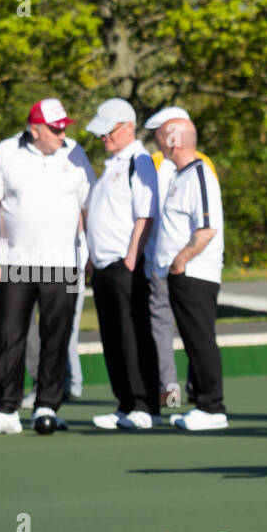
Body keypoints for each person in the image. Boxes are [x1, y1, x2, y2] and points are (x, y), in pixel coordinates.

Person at [0, 98, 95, 435]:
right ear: (35, 129)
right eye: (55, 129)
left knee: (56, 337)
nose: (62, 134)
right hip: (16, 262)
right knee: (9, 335)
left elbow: (88, 207)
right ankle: (7, 410)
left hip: (63, 264)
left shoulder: (74, 153)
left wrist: (91, 256)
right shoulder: (6, 152)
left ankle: (47, 405)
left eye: (63, 127)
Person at [84, 98, 162, 430]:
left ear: (128, 127)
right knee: (113, 336)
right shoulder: (112, 163)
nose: (104, 137)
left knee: (133, 334)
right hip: (103, 267)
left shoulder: (139, 161)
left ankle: (145, 405)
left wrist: (132, 256)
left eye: (110, 131)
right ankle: (126, 403)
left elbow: (146, 213)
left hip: (124, 264)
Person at [143, 105, 220, 408]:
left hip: (188, 270)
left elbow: (207, 225)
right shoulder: (165, 167)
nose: (157, 140)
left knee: (198, 337)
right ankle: (176, 395)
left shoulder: (199, 168)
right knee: (171, 333)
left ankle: (206, 401)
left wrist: (182, 259)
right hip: (163, 267)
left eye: (160, 133)